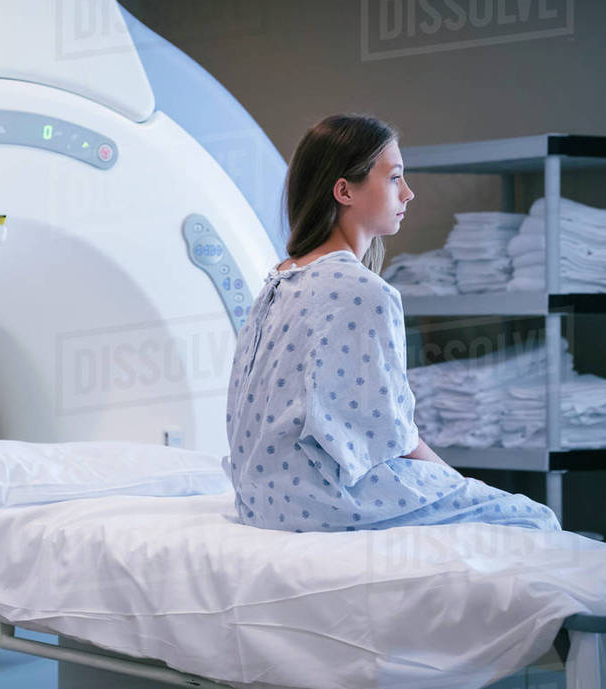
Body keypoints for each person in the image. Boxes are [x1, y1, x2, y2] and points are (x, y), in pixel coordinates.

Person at [224, 114, 561, 533]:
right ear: (344, 190)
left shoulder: (279, 280)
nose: (408, 192)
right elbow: (393, 439)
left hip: (261, 499)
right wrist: (457, 484)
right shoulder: (363, 291)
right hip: (326, 501)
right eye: (394, 178)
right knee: (532, 518)